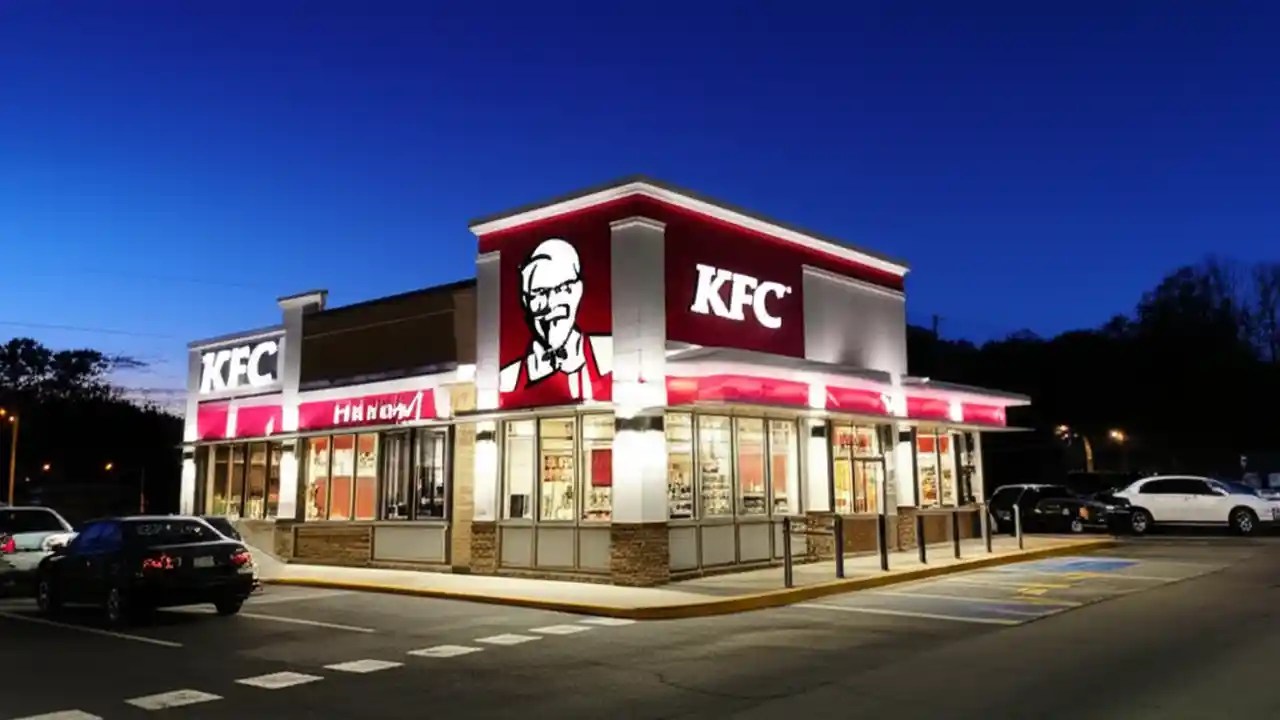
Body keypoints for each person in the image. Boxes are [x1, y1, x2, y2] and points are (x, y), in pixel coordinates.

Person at [499, 238, 612, 405]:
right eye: (539, 293)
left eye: (562, 288)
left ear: (578, 291)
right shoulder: (507, 379)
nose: (551, 303)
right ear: (525, 301)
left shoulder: (610, 355)